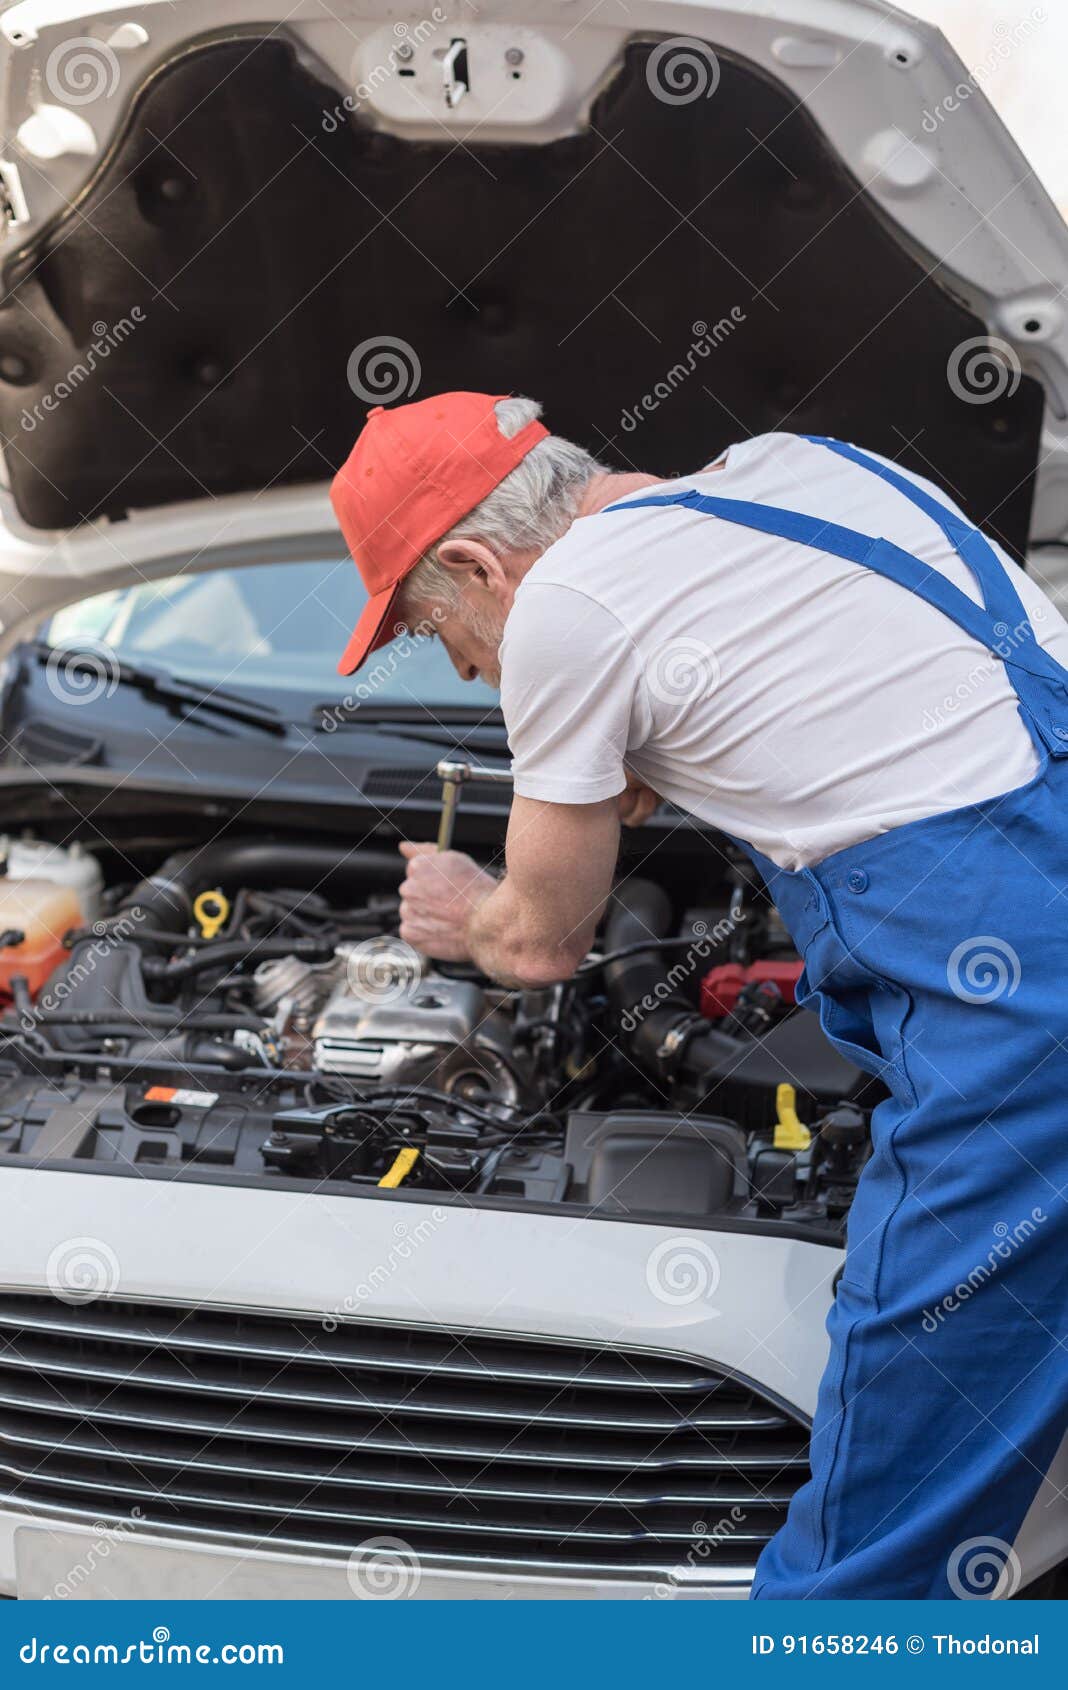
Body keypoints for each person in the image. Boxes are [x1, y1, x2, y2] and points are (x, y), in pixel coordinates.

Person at [330, 389, 1068, 1599]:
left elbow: (544, 944)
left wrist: (466, 907)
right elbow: (826, 691)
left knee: (878, 1527)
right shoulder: (808, 462)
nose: (465, 666)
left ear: (473, 560)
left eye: (432, 629)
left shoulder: (568, 601)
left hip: (1024, 1015)